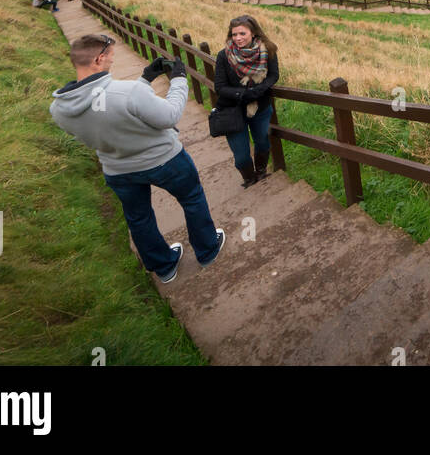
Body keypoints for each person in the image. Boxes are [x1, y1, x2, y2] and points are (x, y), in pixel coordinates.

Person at [50, 34, 224, 284]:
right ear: (99, 59)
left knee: (139, 217)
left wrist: (144, 79)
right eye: (110, 55)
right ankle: (207, 250)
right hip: (164, 160)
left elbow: (108, 109)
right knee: (192, 198)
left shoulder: (59, 109)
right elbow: (169, 115)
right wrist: (178, 80)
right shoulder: (127, 91)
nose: (112, 59)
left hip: (117, 169)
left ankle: (164, 267)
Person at [215, 15, 280, 188]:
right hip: (233, 111)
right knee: (241, 155)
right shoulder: (224, 56)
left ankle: (261, 172)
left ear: (253, 33)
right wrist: (243, 94)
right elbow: (220, 87)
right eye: (234, 34)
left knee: (262, 142)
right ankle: (249, 179)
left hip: (260, 107)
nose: (238, 38)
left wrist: (258, 91)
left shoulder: (268, 50)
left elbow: (274, 75)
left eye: (242, 33)